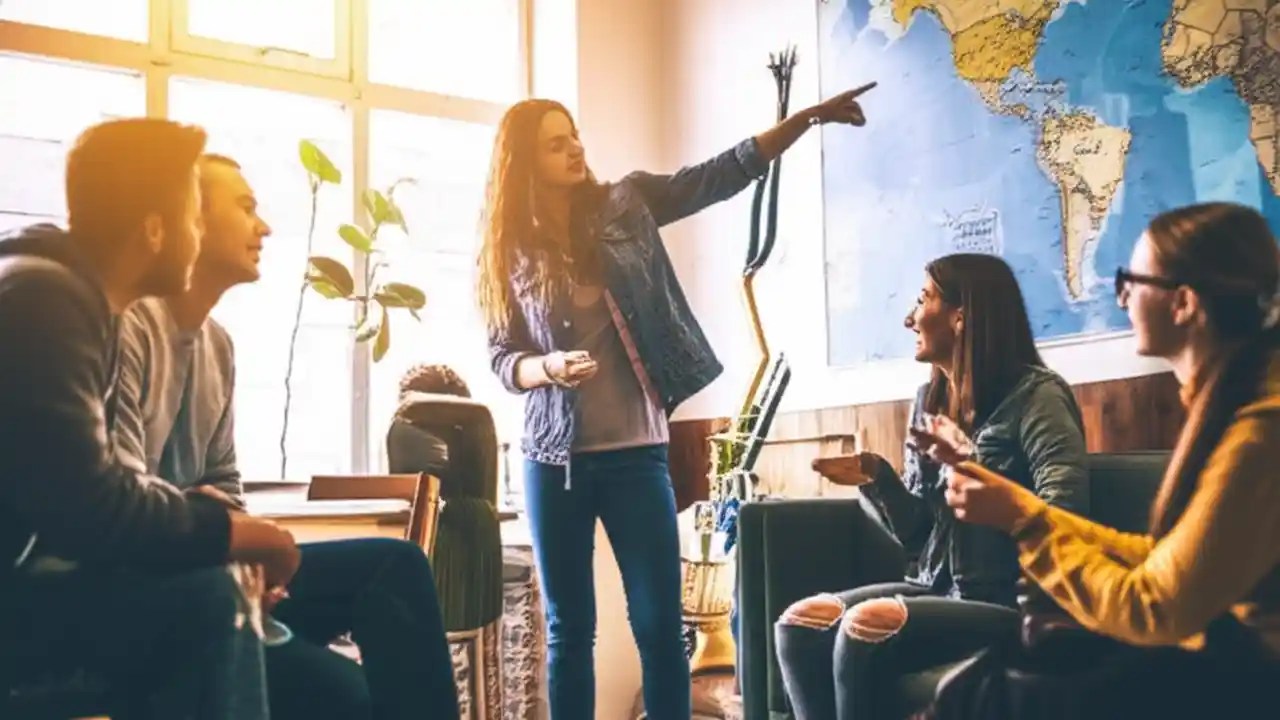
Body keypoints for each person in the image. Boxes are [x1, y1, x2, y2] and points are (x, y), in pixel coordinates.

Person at [478, 87, 877, 719]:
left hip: (637, 454)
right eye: (556, 144)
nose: (575, 147)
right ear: (525, 162)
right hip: (553, 461)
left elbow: (718, 176)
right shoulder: (510, 251)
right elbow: (504, 358)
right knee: (568, 631)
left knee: (661, 627)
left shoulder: (625, 202)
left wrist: (803, 120)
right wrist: (548, 367)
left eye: (575, 134)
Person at [111, 153, 460, 720]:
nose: (265, 226)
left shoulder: (217, 347)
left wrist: (247, 551)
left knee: (395, 567)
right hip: (150, 589)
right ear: (189, 220)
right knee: (350, 698)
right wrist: (232, 537)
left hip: (212, 568)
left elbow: (223, 482)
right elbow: (117, 499)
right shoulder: (123, 329)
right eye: (246, 207)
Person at [915, 203, 1280, 718]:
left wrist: (1023, 520)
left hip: (1253, 676)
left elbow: (1156, 605)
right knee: (984, 680)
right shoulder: (1236, 403)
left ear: (1183, 303)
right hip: (1228, 652)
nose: (1122, 296)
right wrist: (1019, 509)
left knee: (988, 693)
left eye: (1131, 280)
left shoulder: (1261, 432)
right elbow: (1159, 555)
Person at [0, 119, 299, 719]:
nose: (197, 233)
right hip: (19, 608)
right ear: (156, 231)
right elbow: (90, 505)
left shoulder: (70, 298)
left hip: (29, 587)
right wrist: (242, 533)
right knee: (206, 598)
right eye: (193, 218)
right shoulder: (45, 300)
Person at [773, 254, 1091, 719]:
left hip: (1007, 600)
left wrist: (973, 466)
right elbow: (921, 537)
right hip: (935, 587)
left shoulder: (1038, 397)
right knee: (800, 624)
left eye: (923, 300)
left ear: (961, 317)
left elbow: (1066, 517)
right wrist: (877, 478)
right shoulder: (929, 401)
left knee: (865, 624)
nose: (909, 317)